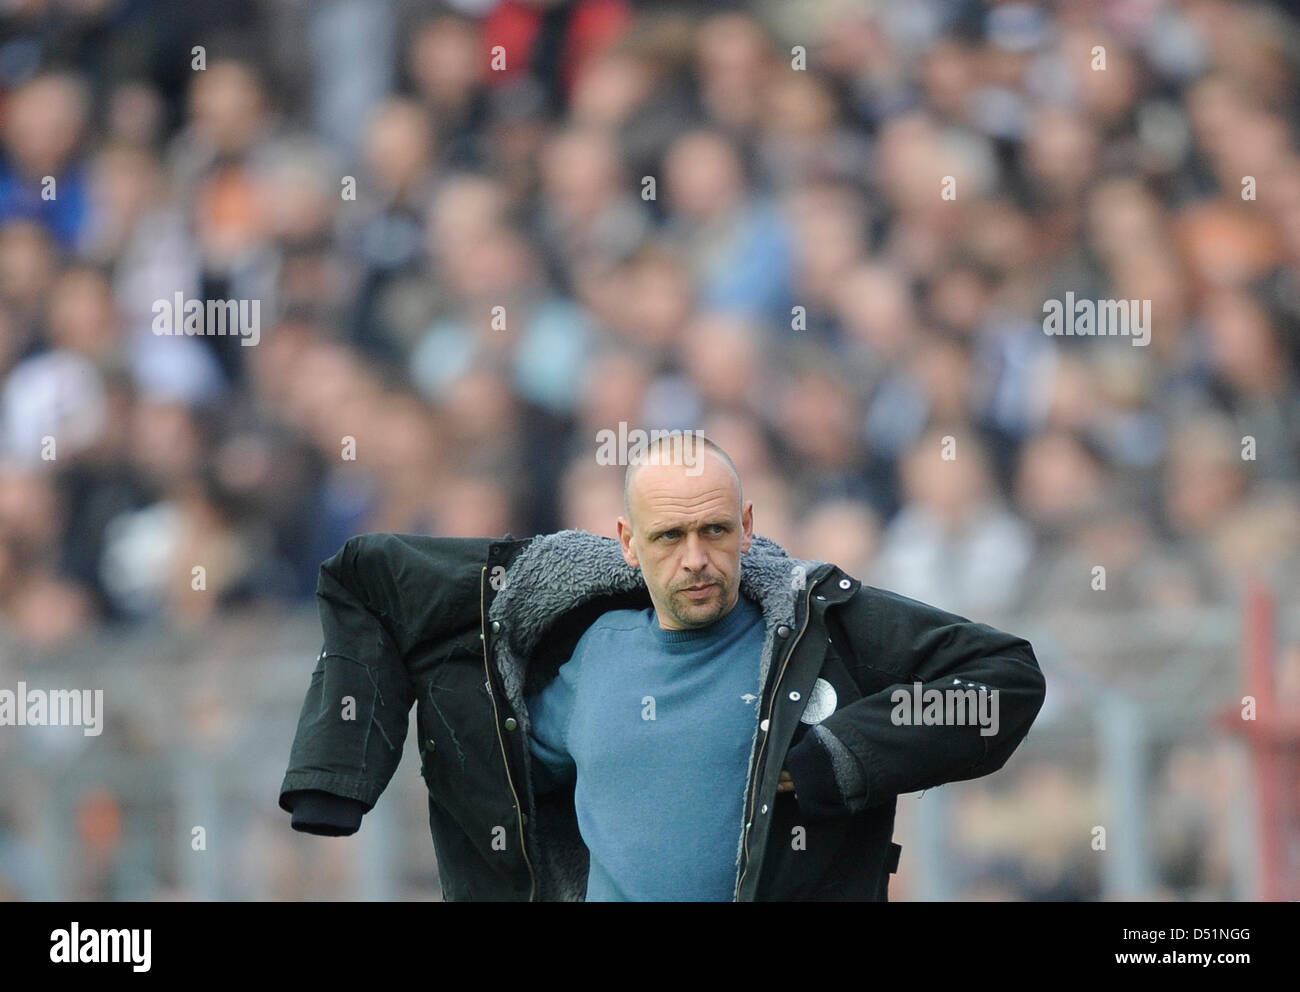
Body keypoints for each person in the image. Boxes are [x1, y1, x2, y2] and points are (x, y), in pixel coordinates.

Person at [280, 432, 1046, 901]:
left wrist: (836, 756)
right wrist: (338, 775)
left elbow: (1003, 681)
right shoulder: (585, 656)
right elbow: (478, 726)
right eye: (669, 537)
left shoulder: (823, 632)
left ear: (748, 526)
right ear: (626, 542)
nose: (697, 558)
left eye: (715, 530)